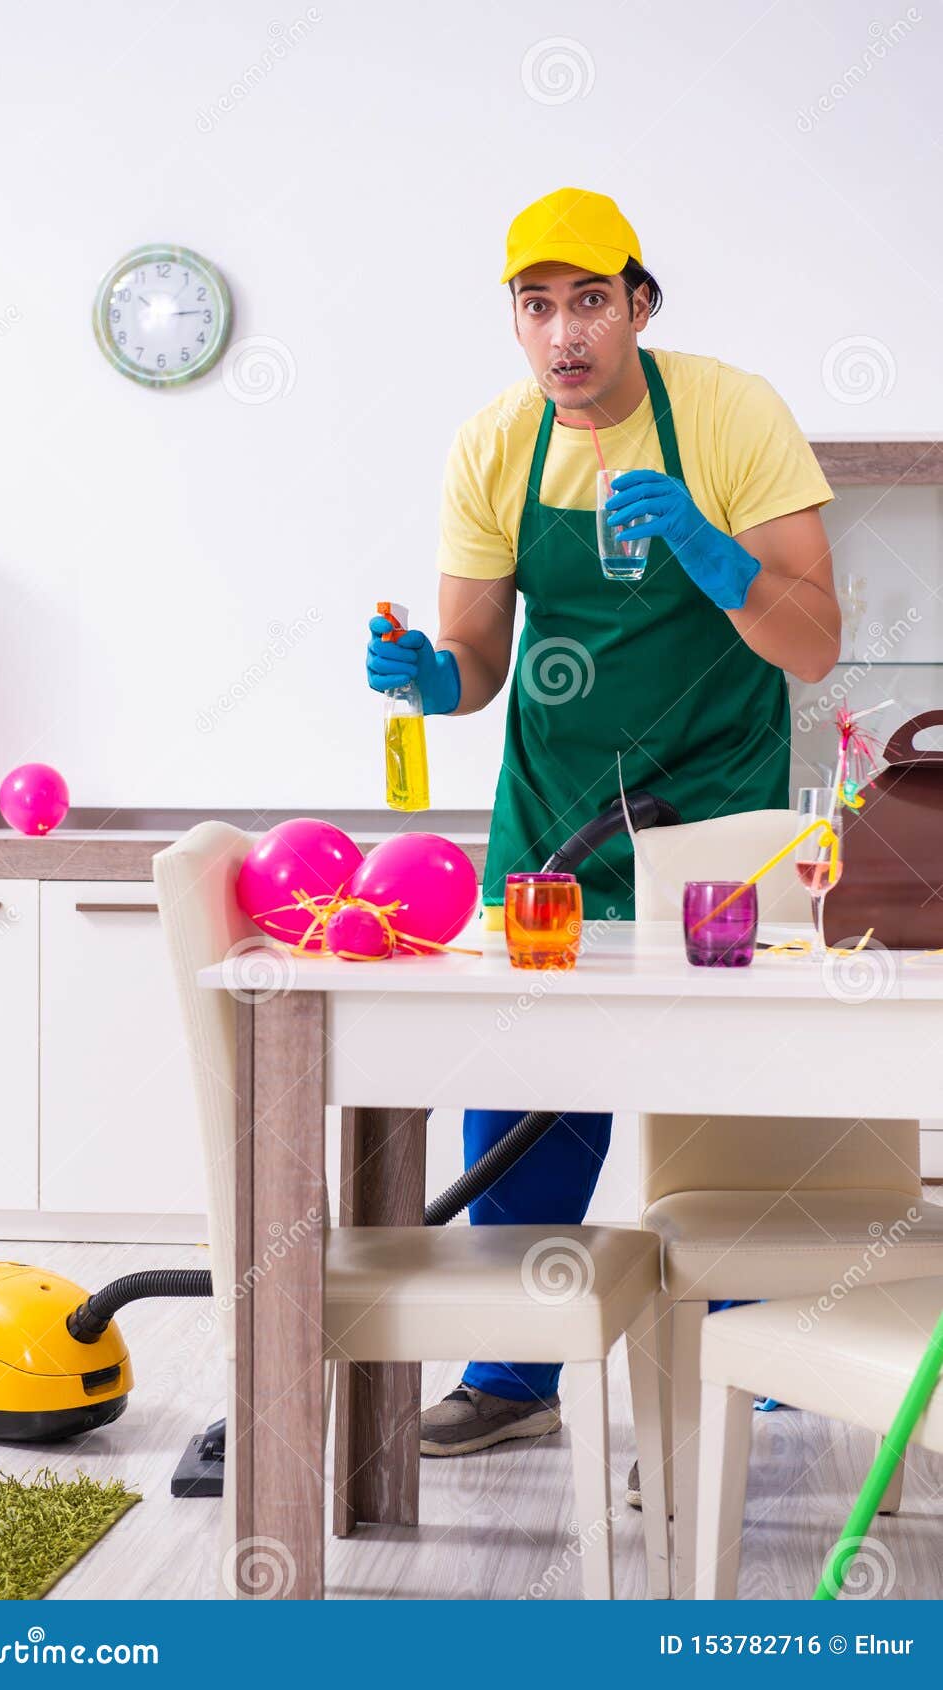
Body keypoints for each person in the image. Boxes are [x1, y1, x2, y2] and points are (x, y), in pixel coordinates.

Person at [365, 187, 840, 1482]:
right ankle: (513, 1371)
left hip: (715, 818)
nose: (563, 331)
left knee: (732, 1091)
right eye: (537, 305)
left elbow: (815, 640)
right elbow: (473, 661)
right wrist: (420, 672)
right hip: (557, 819)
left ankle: (749, 1360)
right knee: (525, 1090)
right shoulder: (493, 446)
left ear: (639, 304)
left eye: (589, 300)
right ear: (515, 323)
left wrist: (712, 551)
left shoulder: (733, 415)